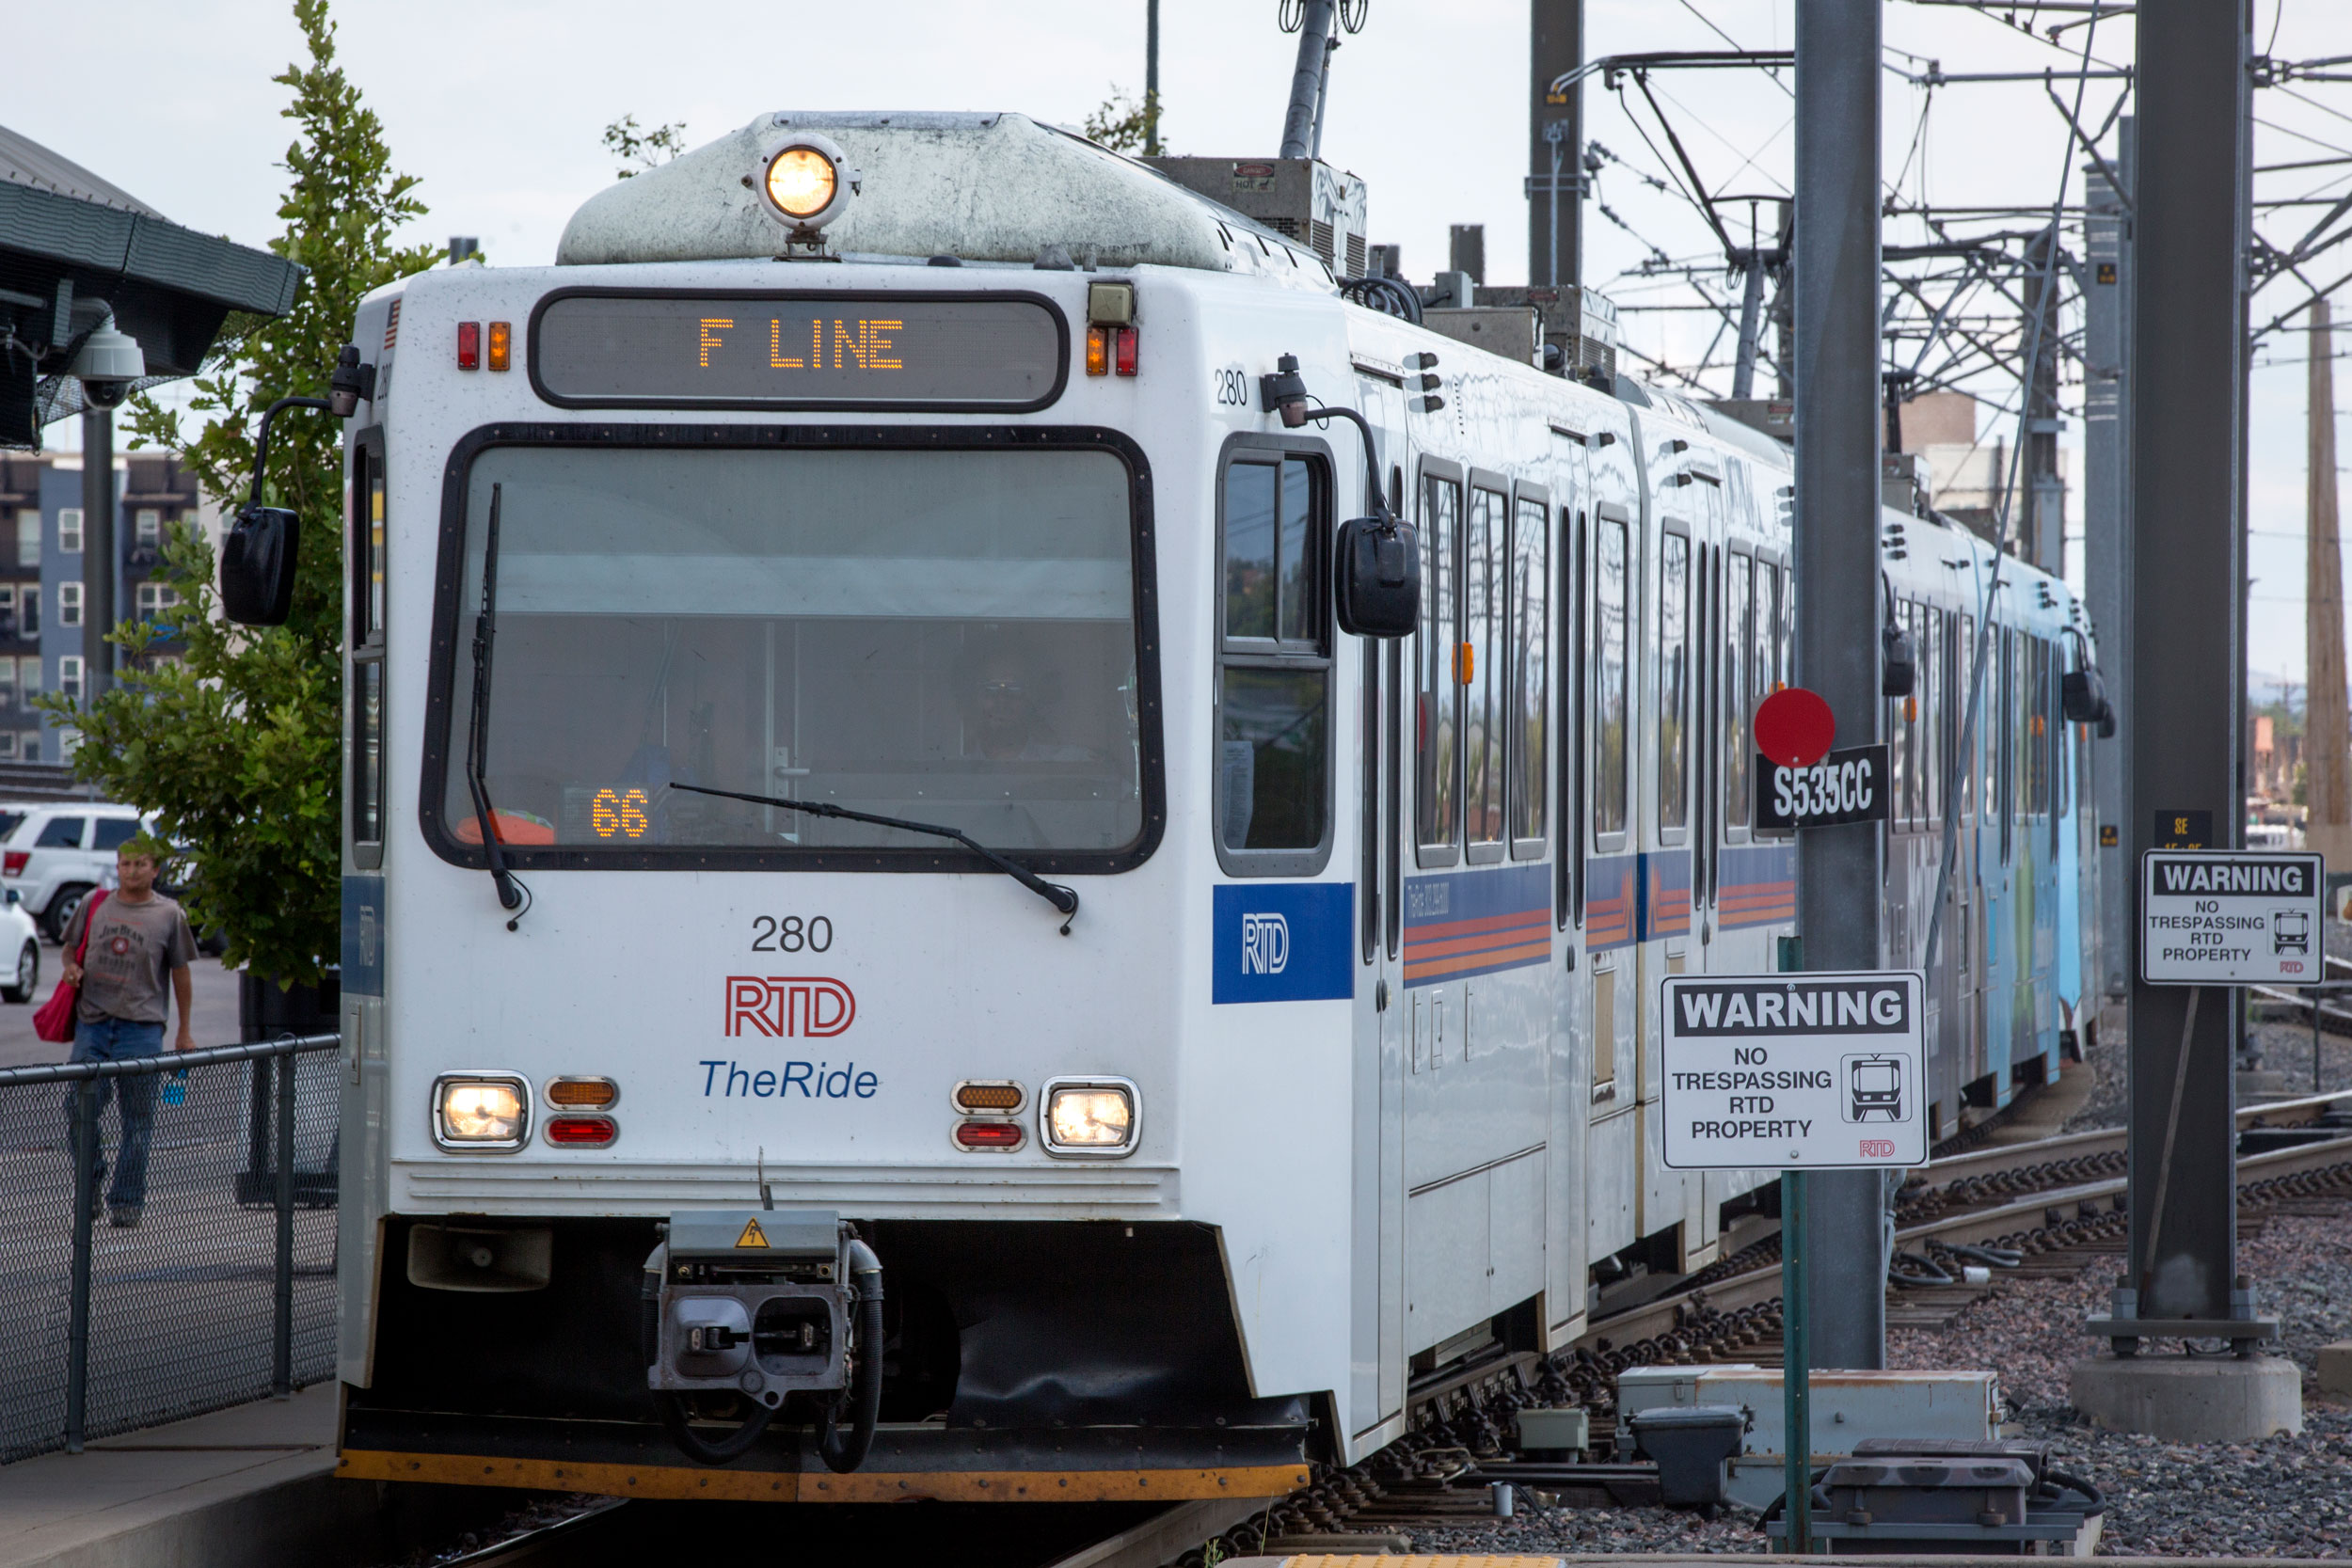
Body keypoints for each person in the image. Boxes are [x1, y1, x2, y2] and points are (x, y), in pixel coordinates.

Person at [60, 833, 199, 1228]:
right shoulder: (94, 903)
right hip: (95, 1025)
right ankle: (92, 1182)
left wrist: (183, 1031)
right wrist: (70, 968)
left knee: (138, 1122)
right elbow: (70, 948)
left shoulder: (169, 915)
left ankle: (127, 1200)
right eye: (125, 864)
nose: (132, 871)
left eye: (141, 864)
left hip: (142, 1029)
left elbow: (181, 973)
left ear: (156, 870)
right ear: (117, 867)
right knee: (78, 1110)